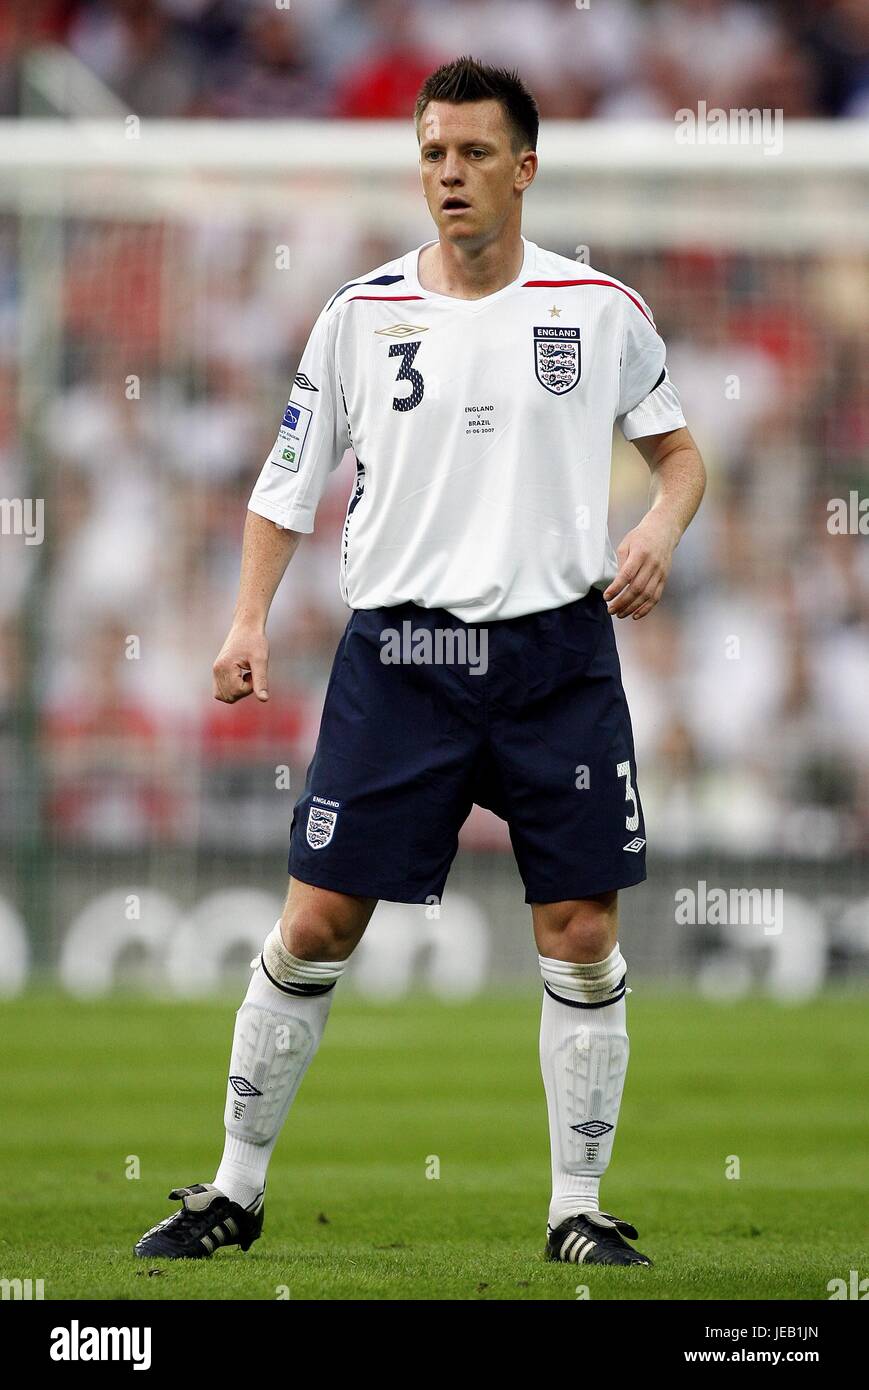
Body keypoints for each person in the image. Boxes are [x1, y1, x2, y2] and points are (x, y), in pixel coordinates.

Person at [135, 55, 706, 1268]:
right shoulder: (357, 315)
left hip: (556, 656)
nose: (449, 174)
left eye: (474, 153)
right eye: (433, 153)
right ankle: (232, 1191)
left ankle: (575, 1209)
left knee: (575, 927)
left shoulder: (596, 310)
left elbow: (678, 458)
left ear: (525, 168)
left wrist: (654, 529)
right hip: (399, 657)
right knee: (318, 919)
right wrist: (245, 622)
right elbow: (286, 487)